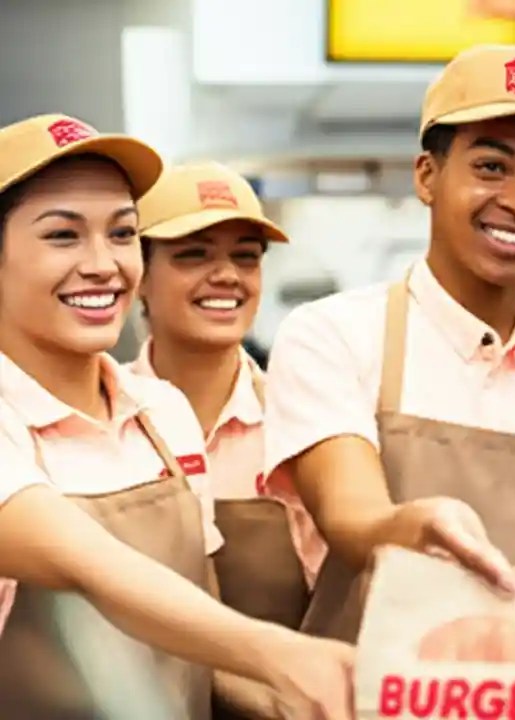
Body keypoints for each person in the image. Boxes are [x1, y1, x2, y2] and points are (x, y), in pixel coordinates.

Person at [262, 45, 515, 700]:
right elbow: (348, 513)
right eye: (492, 167)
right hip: (359, 703)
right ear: (427, 176)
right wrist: (406, 531)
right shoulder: (335, 336)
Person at [0, 114, 352, 719]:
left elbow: (197, 646)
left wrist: (298, 705)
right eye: (63, 236)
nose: (103, 264)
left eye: (122, 233)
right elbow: (88, 564)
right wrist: (278, 652)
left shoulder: (164, 412)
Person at [129, 162, 318, 718]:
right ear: (139, 274)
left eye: (246, 256)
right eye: (194, 254)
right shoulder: (95, 427)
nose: (227, 275)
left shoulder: (303, 425)